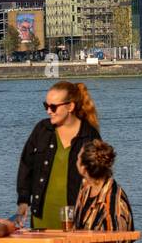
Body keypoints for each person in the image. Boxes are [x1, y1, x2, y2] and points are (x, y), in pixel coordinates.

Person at [17, 81, 101, 230]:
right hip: (41, 216)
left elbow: (98, 179)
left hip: (76, 218)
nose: (49, 111)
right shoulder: (42, 129)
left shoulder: (89, 135)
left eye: (53, 107)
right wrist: (23, 200)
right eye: (46, 106)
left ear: (70, 106)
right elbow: (26, 164)